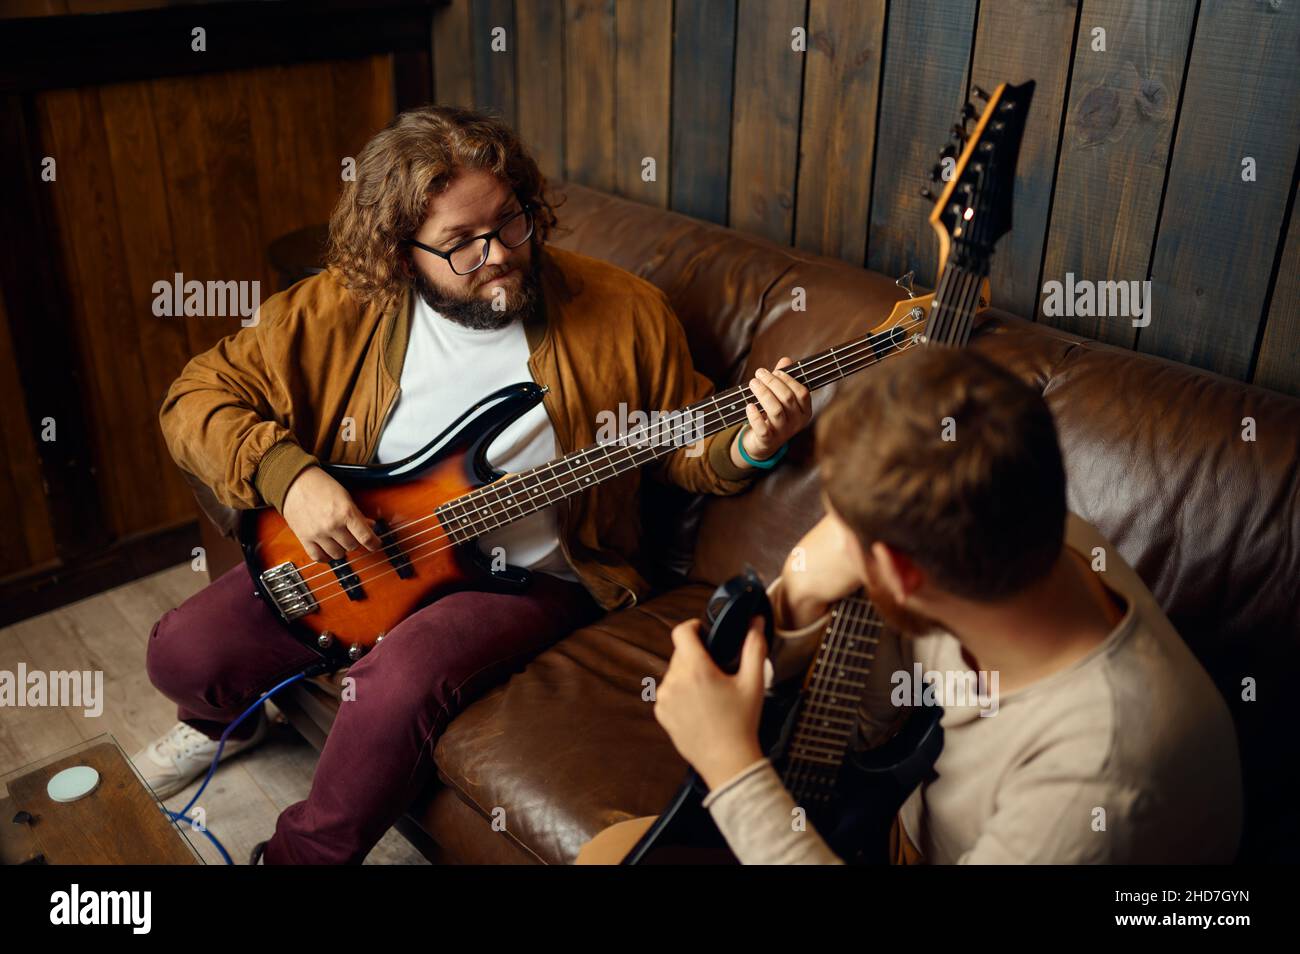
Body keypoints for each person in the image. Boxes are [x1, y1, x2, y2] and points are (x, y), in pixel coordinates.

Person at [135, 105, 812, 864]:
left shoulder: (624, 313)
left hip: (527, 578)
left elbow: (682, 448)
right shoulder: (340, 307)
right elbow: (194, 398)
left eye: (510, 222)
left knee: (396, 685)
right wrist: (289, 479)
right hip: (372, 546)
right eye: (460, 243)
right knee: (181, 654)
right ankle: (240, 717)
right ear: (400, 254)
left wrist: (751, 445)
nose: (498, 255)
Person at [580, 346, 1242, 864]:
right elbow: (865, 709)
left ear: (897, 572)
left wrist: (732, 769)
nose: (830, 542)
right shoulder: (1013, 526)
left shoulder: (1100, 787)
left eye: (840, 528)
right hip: (907, 824)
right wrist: (803, 589)